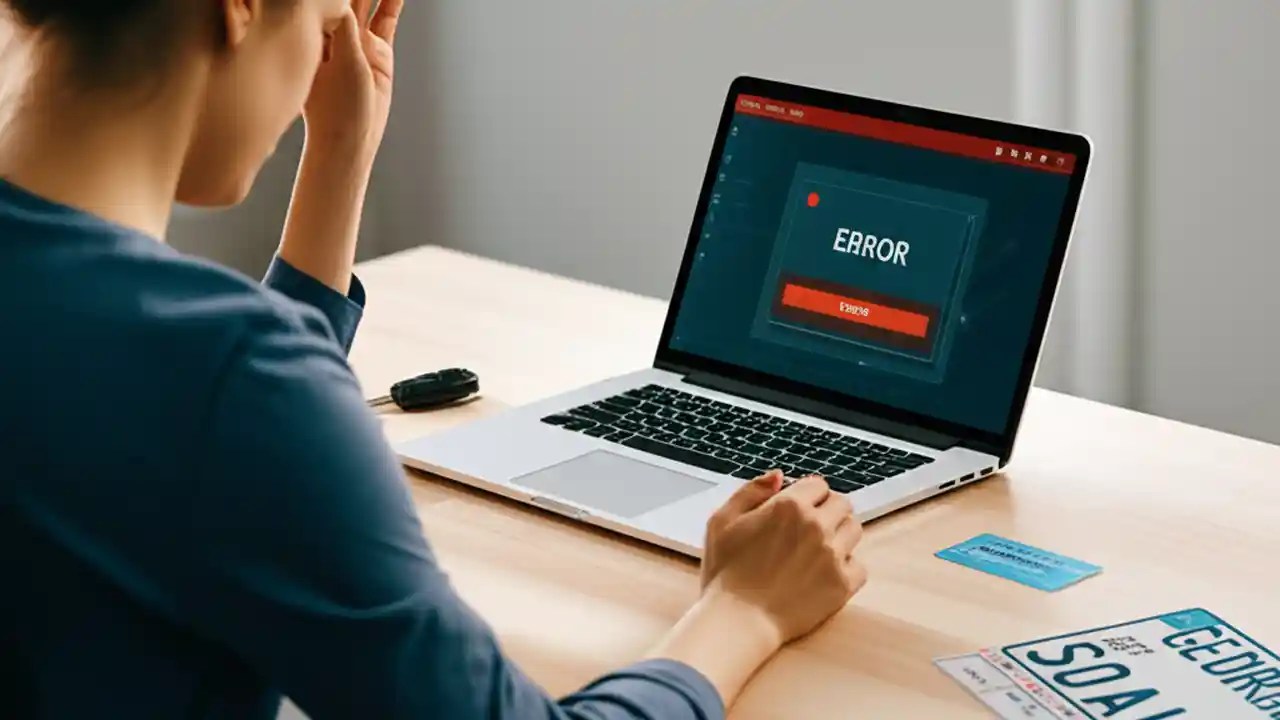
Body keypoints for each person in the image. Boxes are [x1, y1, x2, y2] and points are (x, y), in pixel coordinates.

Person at [0, 1, 868, 718]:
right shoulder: (220, 376)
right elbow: (223, 405)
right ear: (240, 9)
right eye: (321, 17)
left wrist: (339, 155)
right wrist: (743, 610)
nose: (321, 52)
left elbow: (188, 421)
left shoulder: (179, 365)